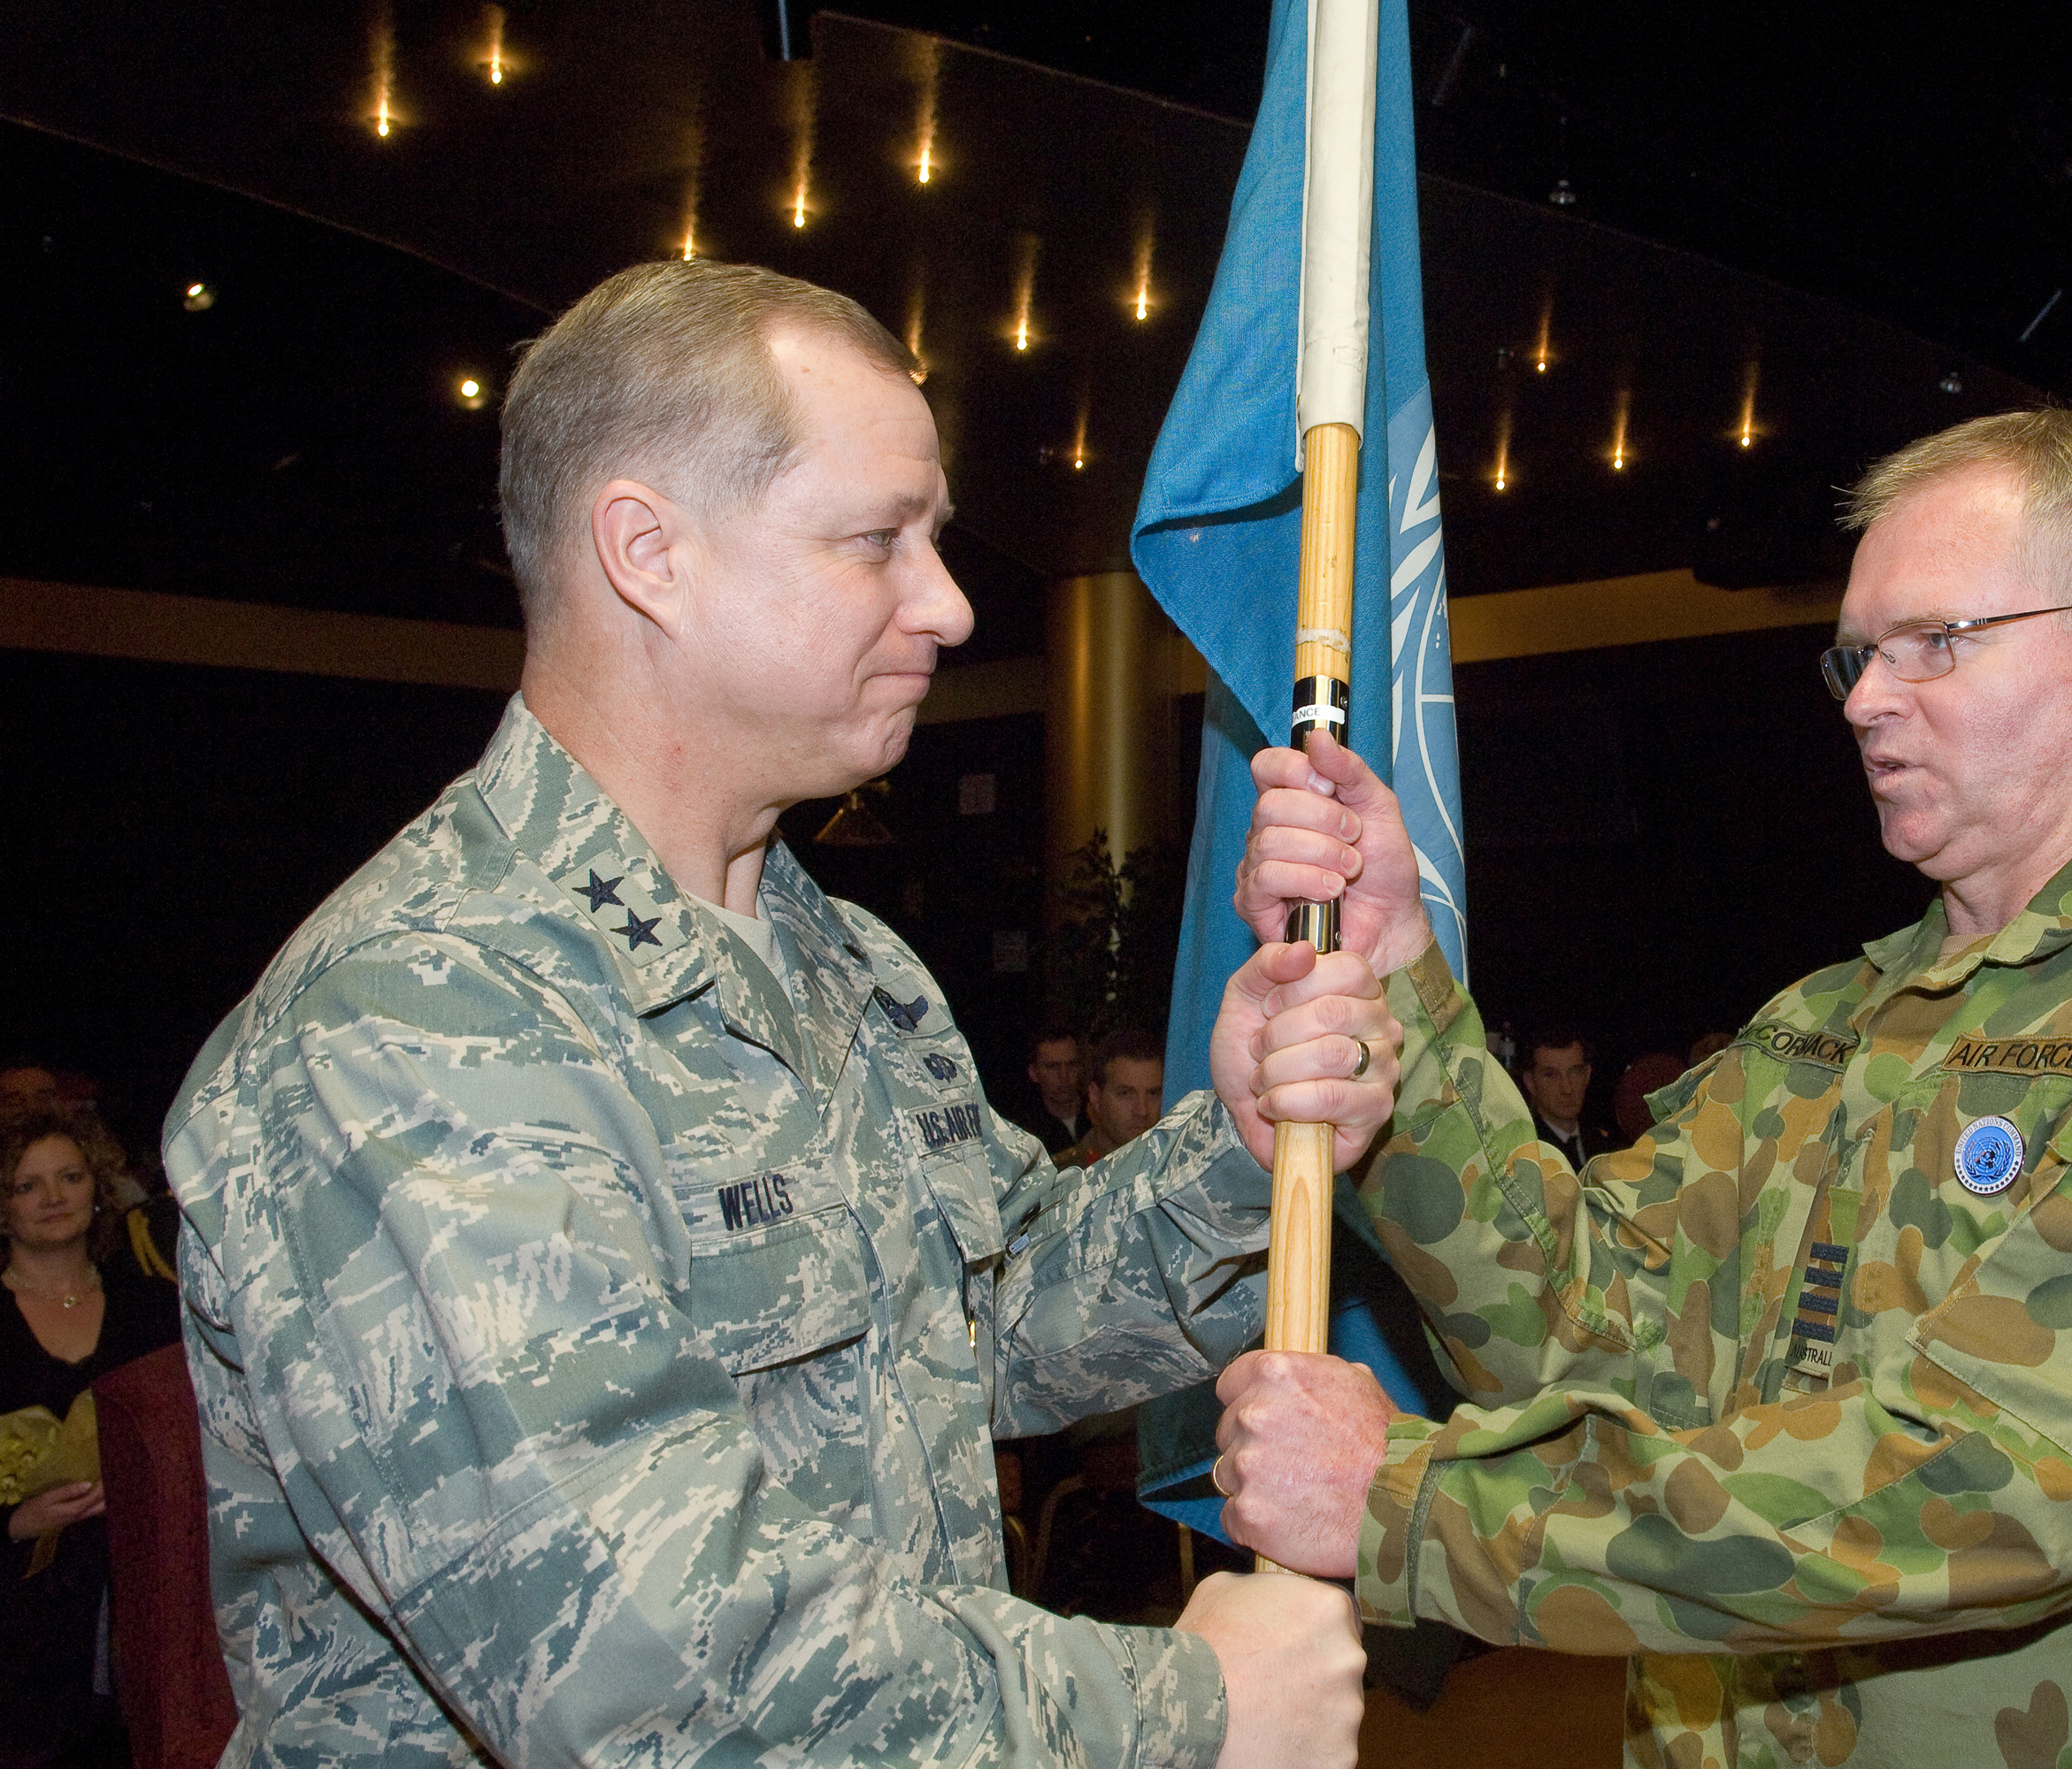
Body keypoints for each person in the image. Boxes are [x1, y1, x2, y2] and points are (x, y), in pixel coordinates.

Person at [163, 260, 1393, 1769]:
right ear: (647, 553)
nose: (946, 603)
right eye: (875, 541)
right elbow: (648, 1677)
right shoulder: (414, 1024)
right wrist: (1187, 1712)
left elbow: (986, 1319)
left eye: (932, 540)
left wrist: (1243, 1151)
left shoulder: (846, 965)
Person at [1214, 410, 2072, 1768]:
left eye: (1937, 643)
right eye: (1859, 655)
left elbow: (2009, 1479)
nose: (1864, 699)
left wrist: (1410, 1506)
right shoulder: (1831, 1025)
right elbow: (1584, 1326)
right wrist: (1401, 988)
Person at [2, 1111, 182, 1769]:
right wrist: (15, 1522)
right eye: (27, 1186)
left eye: (70, 1177)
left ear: (98, 1186)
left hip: (151, 1596)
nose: (53, 1198)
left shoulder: (153, 1306)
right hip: (22, 1622)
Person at [1514, 1029, 1621, 1170]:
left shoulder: (1607, 1145)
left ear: (1587, 1075)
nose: (1567, 1089)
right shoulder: (1523, 1152)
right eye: (1551, 1075)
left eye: (1575, 1072)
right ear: (1531, 1082)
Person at [1062, 1027, 1168, 1168]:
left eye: (1153, 1094)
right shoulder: (1062, 1180)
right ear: (1095, 1096)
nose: (1142, 1111)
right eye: (1125, 1094)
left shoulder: (1178, 1169)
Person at [1023, 1024, 1091, 1155]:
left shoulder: (1101, 1115)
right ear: (1034, 1073)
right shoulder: (1026, 1134)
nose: (1064, 1076)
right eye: (1052, 1067)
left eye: (1072, 1065)